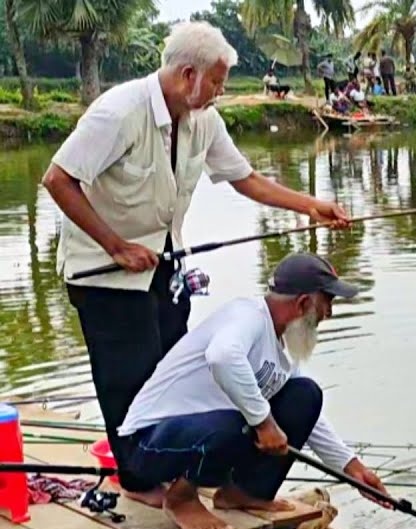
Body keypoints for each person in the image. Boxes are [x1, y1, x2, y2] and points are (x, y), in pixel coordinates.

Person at [40, 21, 350, 500]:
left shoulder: (203, 120)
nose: (221, 93)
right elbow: (58, 179)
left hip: (162, 265)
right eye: (218, 83)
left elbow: (244, 179)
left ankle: (180, 465)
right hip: (104, 273)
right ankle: (140, 479)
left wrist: (309, 205)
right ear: (189, 75)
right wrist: (115, 245)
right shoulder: (119, 112)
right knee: (128, 377)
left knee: (172, 372)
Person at [117, 253, 389, 529]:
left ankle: (241, 493)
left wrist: (352, 469)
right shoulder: (247, 317)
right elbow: (222, 356)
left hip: (203, 438)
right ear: (303, 303)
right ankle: (181, 498)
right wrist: (264, 422)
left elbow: (306, 417)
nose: (328, 314)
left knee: (305, 395)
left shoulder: (282, 343)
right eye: (327, 303)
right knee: (240, 420)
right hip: (147, 445)